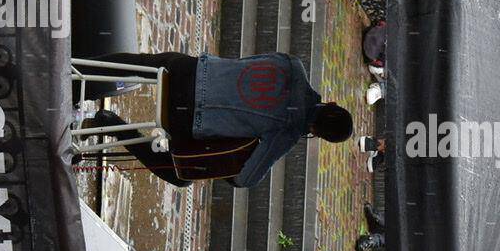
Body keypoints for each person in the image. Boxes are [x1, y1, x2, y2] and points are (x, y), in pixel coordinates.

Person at [85, 51, 352, 188]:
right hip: (186, 117)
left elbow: (247, 63)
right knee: (181, 176)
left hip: (191, 69)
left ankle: (83, 65)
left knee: (147, 62)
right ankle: (111, 124)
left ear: (331, 103)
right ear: (318, 133)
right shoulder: (289, 132)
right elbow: (245, 179)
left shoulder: (293, 64)